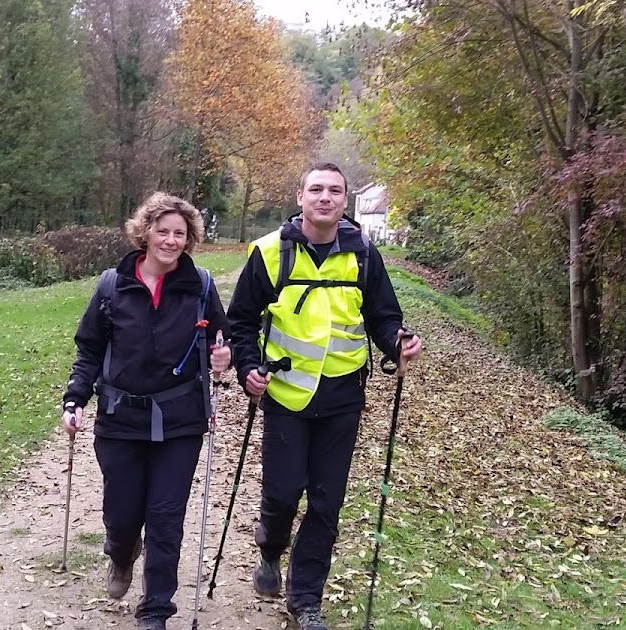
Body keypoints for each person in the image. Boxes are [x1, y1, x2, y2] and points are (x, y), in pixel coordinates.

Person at [227, 163, 421, 630]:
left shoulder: (365, 256)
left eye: (335, 191)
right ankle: (271, 548)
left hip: (342, 396)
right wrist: (249, 369)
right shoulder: (270, 253)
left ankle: (305, 601)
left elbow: (382, 316)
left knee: (326, 501)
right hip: (286, 395)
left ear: (346, 201)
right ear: (300, 197)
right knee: (282, 492)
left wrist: (398, 340)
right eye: (316, 189)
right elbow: (240, 322)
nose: (325, 198)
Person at [61, 192, 231, 630]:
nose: (171, 240)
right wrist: (75, 400)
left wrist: (222, 360)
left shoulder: (202, 287)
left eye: (180, 233)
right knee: (122, 513)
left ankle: (155, 609)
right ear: (145, 232)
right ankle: (120, 552)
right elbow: (90, 350)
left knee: (166, 515)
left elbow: (222, 343)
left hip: (180, 420)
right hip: (120, 419)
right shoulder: (111, 285)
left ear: (188, 238)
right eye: (163, 231)